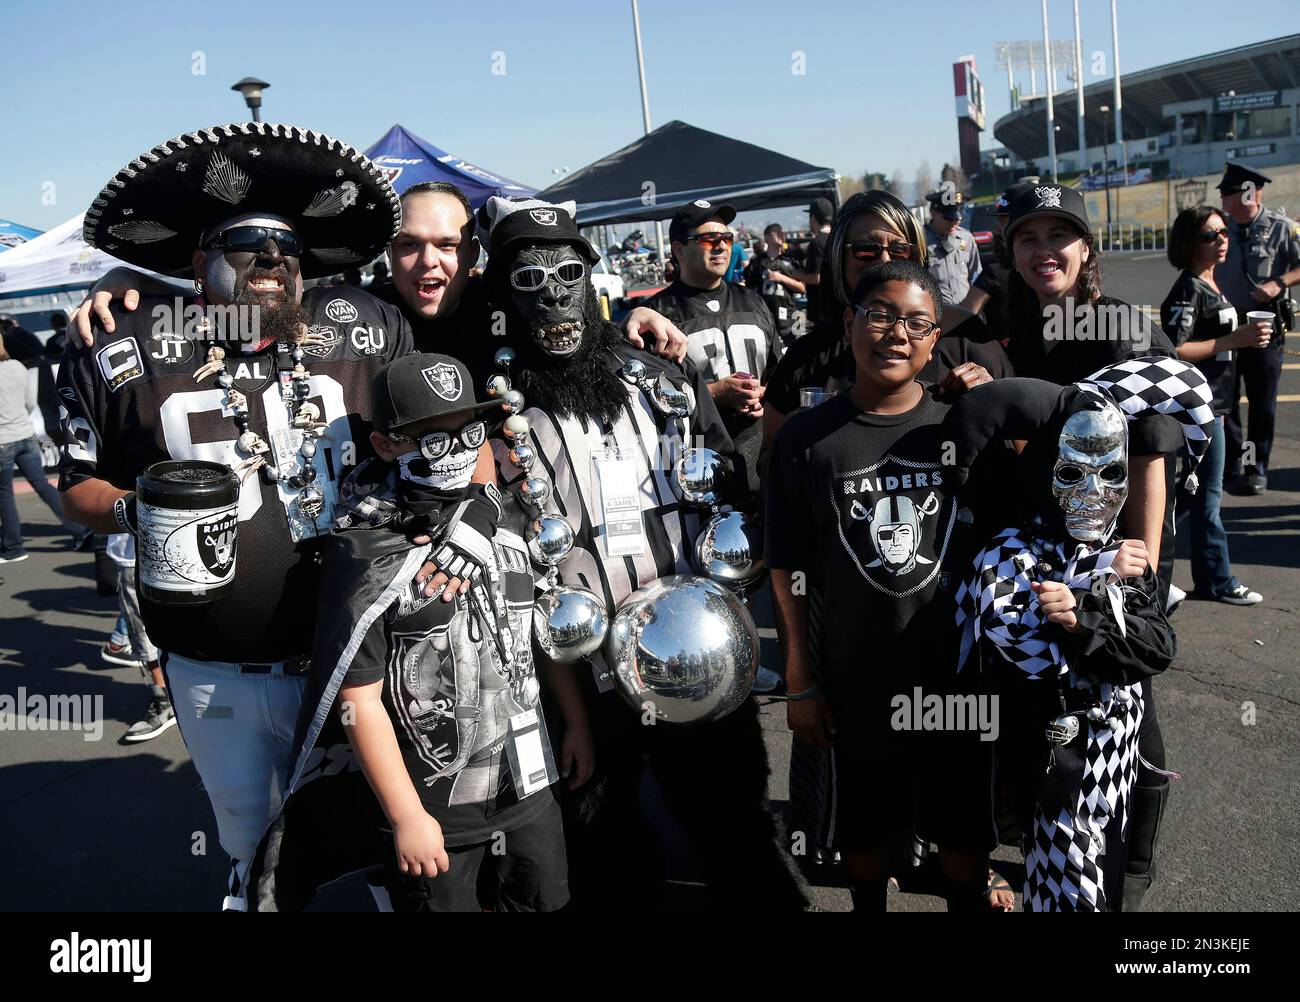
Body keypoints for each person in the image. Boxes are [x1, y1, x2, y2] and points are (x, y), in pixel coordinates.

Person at [58, 121, 423, 909]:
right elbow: (77, 484)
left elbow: (454, 356)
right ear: (195, 257)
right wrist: (139, 510)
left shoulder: (362, 325)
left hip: (352, 656)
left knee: (394, 829)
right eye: (245, 243)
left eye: (287, 249)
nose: (270, 263)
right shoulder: (130, 341)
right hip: (214, 666)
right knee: (250, 836)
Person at [480, 196, 806, 912]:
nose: (553, 295)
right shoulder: (490, 408)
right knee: (605, 847)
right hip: (583, 665)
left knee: (736, 830)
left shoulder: (660, 375)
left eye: (567, 273)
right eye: (527, 281)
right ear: (501, 294)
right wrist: (565, 710)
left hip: (692, 646)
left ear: (592, 280)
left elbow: (725, 483)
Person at [766, 261, 1006, 911]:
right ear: (849, 325)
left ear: (935, 339)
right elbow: (786, 569)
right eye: (880, 315)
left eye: (917, 323)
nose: (896, 334)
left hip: (959, 682)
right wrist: (800, 682)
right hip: (858, 686)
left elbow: (1011, 547)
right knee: (865, 848)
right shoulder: (804, 442)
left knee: (963, 850)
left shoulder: (964, 427)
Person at [325, 353, 590, 911]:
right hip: (435, 812)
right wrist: (405, 815)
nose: (458, 452)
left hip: (530, 787)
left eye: (468, 433)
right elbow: (359, 699)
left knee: (547, 899)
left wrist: (577, 723)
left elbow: (540, 635)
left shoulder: (509, 518)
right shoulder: (367, 551)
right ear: (386, 446)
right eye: (432, 439)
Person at [1001, 180, 1183, 911]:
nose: (1045, 251)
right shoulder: (1004, 326)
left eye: (1059, 235)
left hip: (1115, 556)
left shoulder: (1125, 329)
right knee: (1051, 705)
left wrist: (1140, 558)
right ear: (1008, 249)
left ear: (1087, 246)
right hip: (1035, 556)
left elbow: (1152, 457)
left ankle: (1132, 862)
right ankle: (1054, 842)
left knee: (1127, 699)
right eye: (1027, 238)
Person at [762, 190, 1006, 466]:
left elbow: (1018, 451)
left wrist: (993, 401)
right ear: (839, 258)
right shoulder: (804, 359)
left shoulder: (965, 337)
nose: (885, 262)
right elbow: (768, 467)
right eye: (867, 249)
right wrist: (798, 436)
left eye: (900, 250)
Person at [365, 180, 688, 382]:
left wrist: (635, 319)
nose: (428, 260)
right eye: (410, 244)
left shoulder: (509, 303)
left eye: (447, 245)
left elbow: (573, 338)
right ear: (389, 253)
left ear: (472, 255)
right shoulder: (363, 321)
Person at [1161, 206, 1266, 606]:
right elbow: (1174, 349)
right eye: (1209, 235)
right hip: (1200, 411)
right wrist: (1231, 341)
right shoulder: (1189, 288)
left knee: (1192, 501)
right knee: (1204, 503)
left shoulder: (1209, 282)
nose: (1221, 240)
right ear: (1190, 243)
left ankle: (1163, 571)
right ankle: (1216, 580)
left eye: (1223, 233)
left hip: (1216, 405)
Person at [643, 200, 781, 499]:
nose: (720, 246)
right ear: (679, 250)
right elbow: (645, 403)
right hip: (695, 466)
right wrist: (715, 393)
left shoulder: (754, 301)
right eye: (708, 239)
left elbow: (778, 375)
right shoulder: (656, 314)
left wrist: (764, 394)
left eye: (726, 238)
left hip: (758, 460)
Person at [1215, 161, 1300, 495]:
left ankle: (1256, 467)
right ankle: (1234, 462)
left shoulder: (1281, 228)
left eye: (1228, 192)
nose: (1222, 197)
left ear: (1250, 193)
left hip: (1264, 327)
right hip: (1226, 327)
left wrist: (1279, 282)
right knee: (1229, 400)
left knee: (1262, 402)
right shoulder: (1220, 228)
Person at [1, 331, 89, 563]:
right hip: (25, 433)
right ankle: (79, 529)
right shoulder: (17, 367)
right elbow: (30, 402)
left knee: (4, 495)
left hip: (3, 441)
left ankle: (13, 547)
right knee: (42, 484)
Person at [105, 532, 175, 742]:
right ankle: (164, 699)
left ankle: (190, 698)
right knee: (144, 630)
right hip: (136, 551)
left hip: (190, 541)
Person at [744, 223, 805, 346]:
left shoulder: (790, 262)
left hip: (787, 318)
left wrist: (781, 278)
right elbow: (748, 289)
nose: (781, 235)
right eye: (776, 232)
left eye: (782, 232)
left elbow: (802, 288)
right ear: (767, 237)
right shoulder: (756, 262)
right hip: (764, 318)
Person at [923, 189, 982, 309]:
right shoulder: (921, 241)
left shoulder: (966, 238)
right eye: (949, 218)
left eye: (957, 218)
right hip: (938, 314)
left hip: (966, 312)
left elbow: (976, 274)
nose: (954, 223)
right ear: (933, 213)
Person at [790, 197, 834, 319]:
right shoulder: (836, 239)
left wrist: (794, 274)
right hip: (835, 307)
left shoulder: (817, 243)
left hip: (821, 309)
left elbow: (817, 277)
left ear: (813, 218)